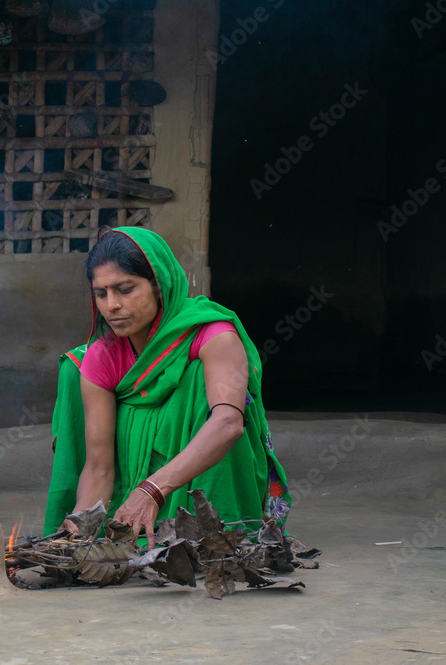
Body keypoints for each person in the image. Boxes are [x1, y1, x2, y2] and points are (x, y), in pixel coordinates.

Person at [43, 227, 291, 548]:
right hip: (134, 491)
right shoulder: (103, 355)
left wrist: (152, 490)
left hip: (191, 482)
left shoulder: (213, 334)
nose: (112, 305)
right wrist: (80, 526)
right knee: (74, 365)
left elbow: (229, 423)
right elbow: (99, 468)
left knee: (197, 378)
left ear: (160, 285)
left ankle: (214, 527)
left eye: (125, 289)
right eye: (101, 294)